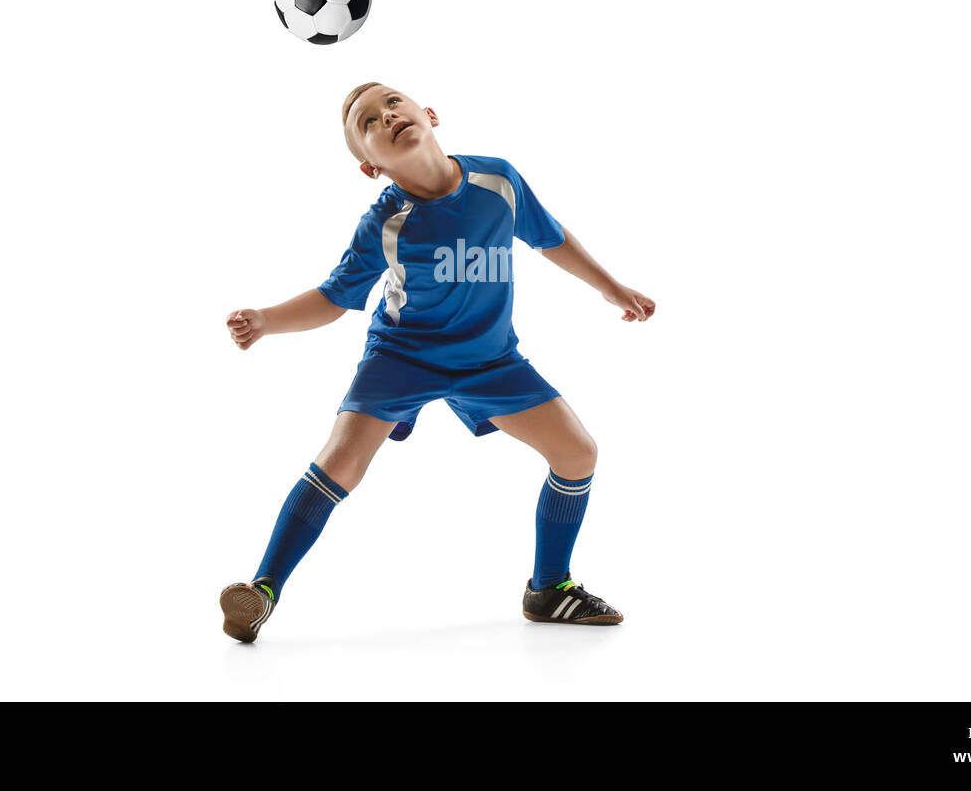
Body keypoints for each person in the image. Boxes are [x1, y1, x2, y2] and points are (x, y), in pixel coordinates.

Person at [219, 82, 656, 642]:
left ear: (429, 113)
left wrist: (611, 288)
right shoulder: (386, 222)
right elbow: (333, 298)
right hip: (403, 357)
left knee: (578, 453)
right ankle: (262, 591)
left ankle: (549, 589)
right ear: (370, 166)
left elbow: (549, 238)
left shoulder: (497, 178)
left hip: (490, 359)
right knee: (342, 462)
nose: (387, 115)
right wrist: (265, 319)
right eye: (368, 122)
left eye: (392, 102)